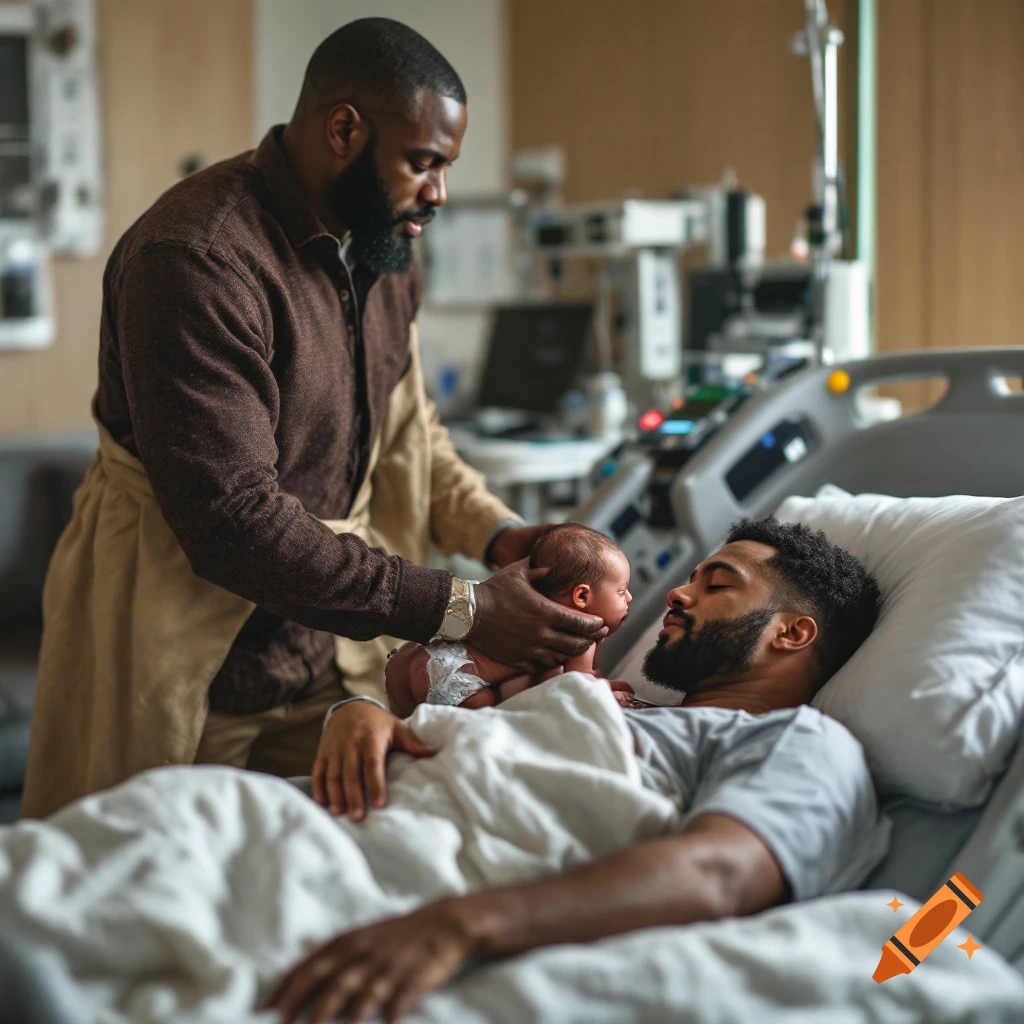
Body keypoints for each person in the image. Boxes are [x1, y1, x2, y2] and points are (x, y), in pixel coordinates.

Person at [21, 18, 607, 820]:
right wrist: (466, 608)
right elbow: (234, 524)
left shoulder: (384, 249)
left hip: (332, 653)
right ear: (344, 129)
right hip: (188, 643)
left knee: (354, 857)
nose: (438, 194)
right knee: (150, 886)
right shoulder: (197, 260)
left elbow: (413, 442)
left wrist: (507, 540)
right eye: (424, 162)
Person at [268, 517, 884, 1024]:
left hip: (402, 889)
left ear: (794, 632)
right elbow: (464, 730)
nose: (676, 593)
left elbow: (718, 875)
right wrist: (361, 716)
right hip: (318, 821)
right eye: (691, 578)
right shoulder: (604, 700)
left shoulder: (798, 742)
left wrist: (457, 927)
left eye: (717, 585)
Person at [385, 523, 634, 714]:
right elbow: (577, 687)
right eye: (621, 592)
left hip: (411, 657)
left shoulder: (512, 598)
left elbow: (544, 683)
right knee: (494, 721)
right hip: (460, 681)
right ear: (581, 596)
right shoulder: (574, 631)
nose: (630, 598)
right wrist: (603, 693)